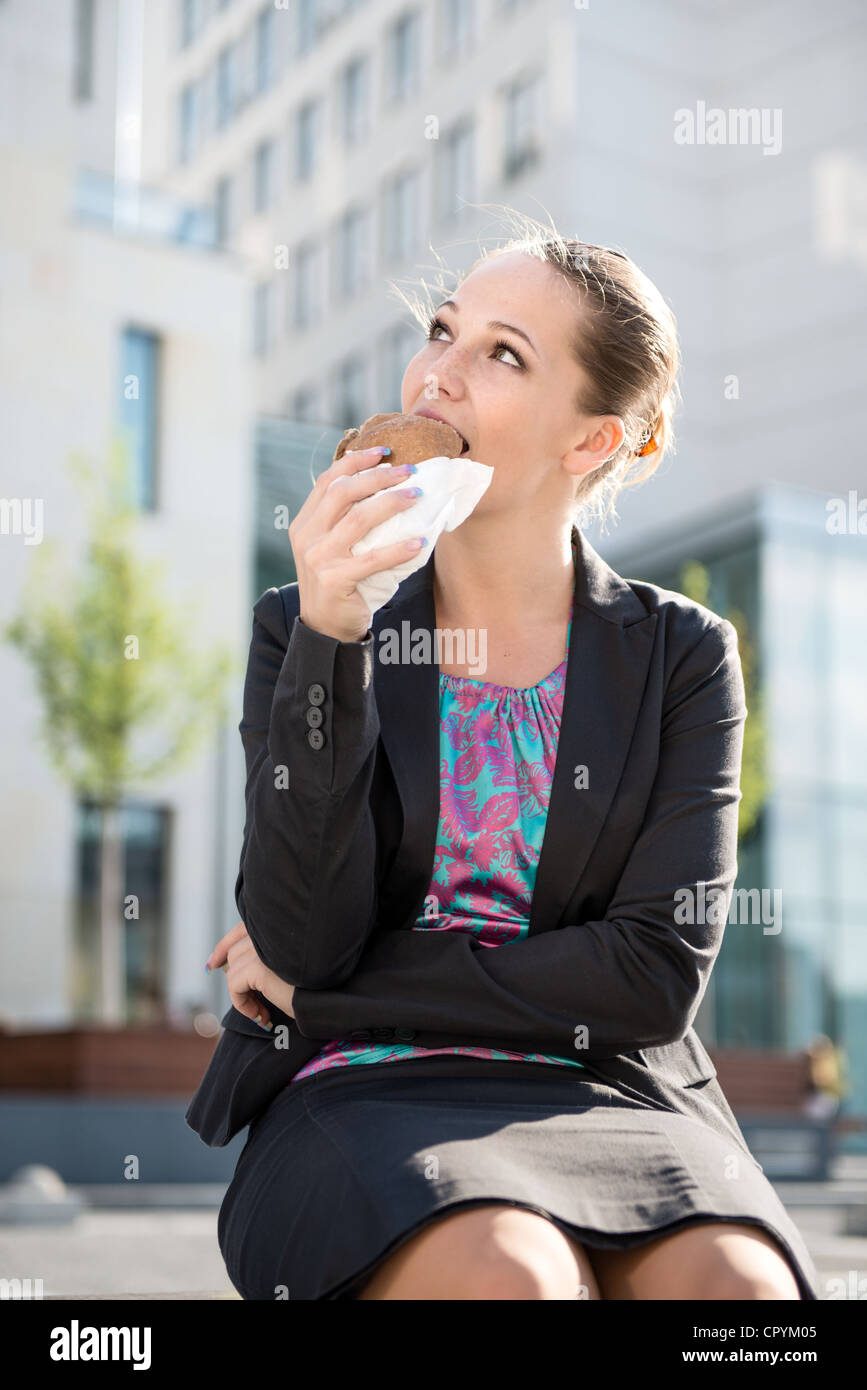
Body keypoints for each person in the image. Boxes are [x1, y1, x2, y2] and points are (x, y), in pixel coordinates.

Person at [207, 214, 820, 1300]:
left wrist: (331, 992)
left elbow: (646, 979)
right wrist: (333, 637)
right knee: (511, 1279)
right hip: (365, 1094)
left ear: (593, 441)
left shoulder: (682, 656)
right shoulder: (302, 627)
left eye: (502, 353)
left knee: (743, 1296)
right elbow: (306, 929)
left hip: (614, 1089)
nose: (438, 372)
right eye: (443, 329)